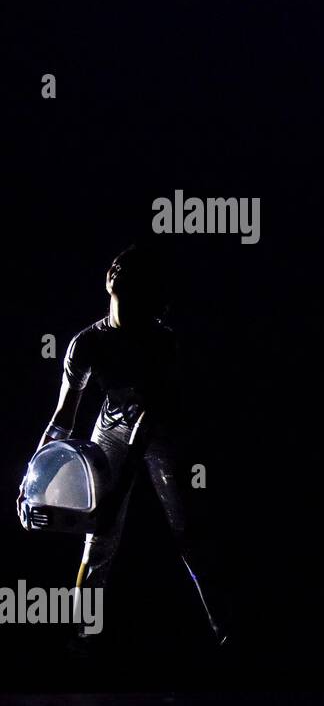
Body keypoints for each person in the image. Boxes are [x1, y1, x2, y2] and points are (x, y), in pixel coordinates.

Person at [17, 245, 229, 655]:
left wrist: (114, 495)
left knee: (189, 536)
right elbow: (63, 419)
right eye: (119, 274)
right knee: (98, 541)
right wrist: (31, 486)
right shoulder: (86, 343)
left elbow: (147, 426)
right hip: (112, 425)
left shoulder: (162, 343)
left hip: (162, 431)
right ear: (110, 281)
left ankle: (227, 633)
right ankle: (82, 638)